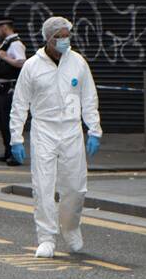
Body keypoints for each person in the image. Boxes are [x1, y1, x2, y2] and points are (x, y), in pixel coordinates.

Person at [9, 15, 101, 259]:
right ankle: (46, 237)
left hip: (71, 130)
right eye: (58, 37)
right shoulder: (32, 66)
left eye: (66, 36)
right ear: (48, 40)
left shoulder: (78, 62)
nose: (64, 41)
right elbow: (20, 103)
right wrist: (16, 138)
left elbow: (89, 98)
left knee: (76, 187)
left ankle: (70, 228)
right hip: (44, 130)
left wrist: (94, 129)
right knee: (43, 185)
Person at [0, 16, 26, 163]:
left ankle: (15, 155)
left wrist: (5, 57)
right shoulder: (5, 43)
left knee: (10, 122)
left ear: (4, 27)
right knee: (3, 122)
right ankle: (8, 151)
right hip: (3, 88)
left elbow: (21, 63)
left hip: (11, 88)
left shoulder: (16, 44)